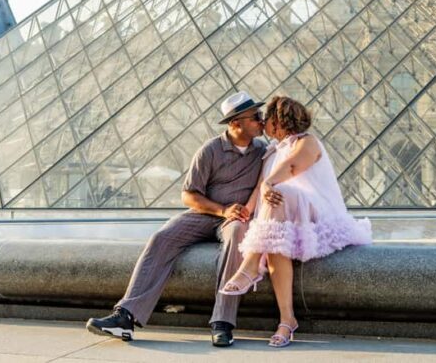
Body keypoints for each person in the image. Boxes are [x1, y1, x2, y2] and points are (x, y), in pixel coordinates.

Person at [86, 91, 267, 347]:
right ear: (236, 123)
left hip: (237, 219)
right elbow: (189, 195)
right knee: (162, 237)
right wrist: (222, 210)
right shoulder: (210, 150)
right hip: (207, 213)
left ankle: (222, 322)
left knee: (238, 233)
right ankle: (126, 315)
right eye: (256, 117)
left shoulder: (263, 151)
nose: (262, 120)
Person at [220, 96, 372, 347]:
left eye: (266, 118)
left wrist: (269, 184)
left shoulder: (307, 142)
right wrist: (243, 212)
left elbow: (291, 169)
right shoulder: (272, 151)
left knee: (279, 195)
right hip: (284, 217)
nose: (262, 122)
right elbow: (260, 188)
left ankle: (250, 265)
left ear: (279, 121)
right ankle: (287, 320)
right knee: (277, 241)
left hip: (316, 213)